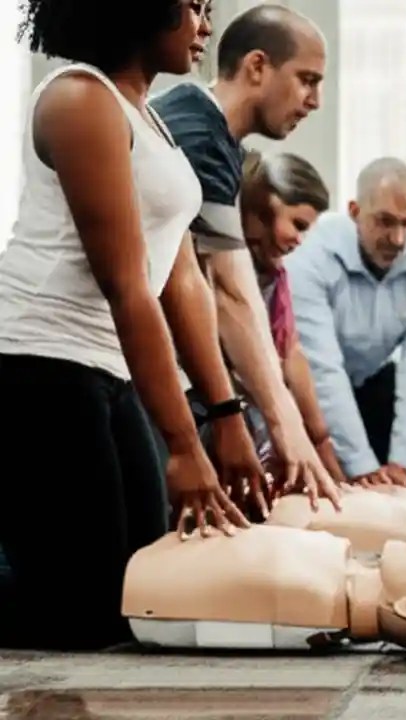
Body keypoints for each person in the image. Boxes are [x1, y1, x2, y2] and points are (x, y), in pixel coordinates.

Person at [0, 0, 256, 650]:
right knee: (81, 617)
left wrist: (224, 414)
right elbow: (127, 287)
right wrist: (184, 447)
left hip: (108, 372)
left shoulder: (151, 120)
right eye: (193, 6)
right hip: (38, 365)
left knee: (136, 593)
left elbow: (182, 280)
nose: (206, 26)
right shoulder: (79, 100)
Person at [150, 2, 340, 511]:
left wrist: (285, 421)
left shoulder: (219, 141)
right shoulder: (195, 131)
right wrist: (284, 427)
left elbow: (237, 293)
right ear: (257, 67)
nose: (315, 101)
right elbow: (229, 294)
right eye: (307, 80)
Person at [287, 158, 406, 507]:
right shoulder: (310, 254)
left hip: (372, 385)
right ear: (354, 211)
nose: (397, 239)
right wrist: (362, 467)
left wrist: (400, 463)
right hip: (307, 395)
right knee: (333, 507)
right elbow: (324, 369)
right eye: (385, 222)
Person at [235, 150, 346, 490]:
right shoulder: (223, 264)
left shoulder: (276, 278)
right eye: (297, 225)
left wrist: (321, 442)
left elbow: (291, 355)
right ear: (262, 208)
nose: (300, 239)